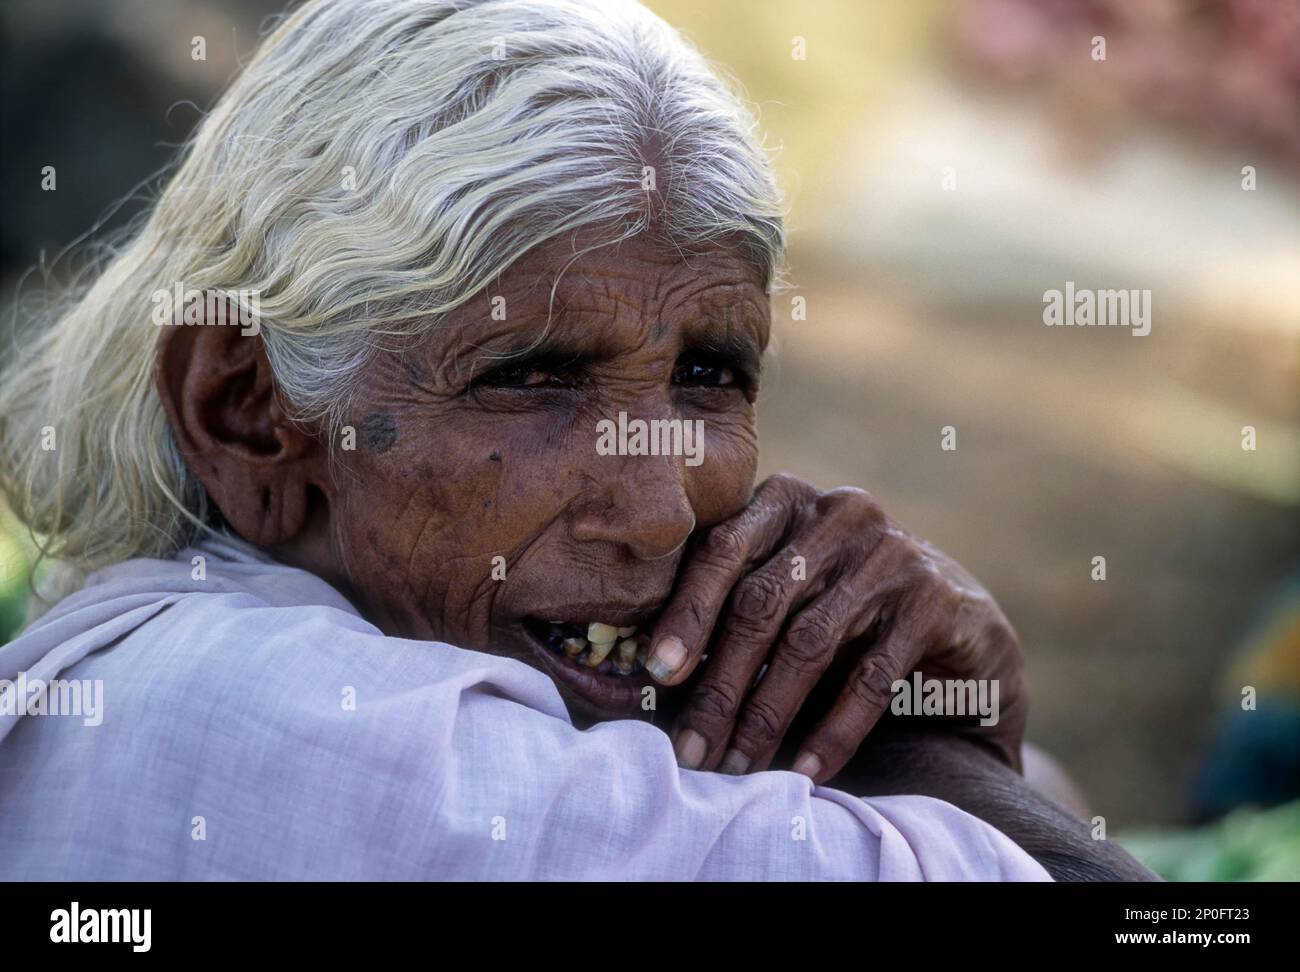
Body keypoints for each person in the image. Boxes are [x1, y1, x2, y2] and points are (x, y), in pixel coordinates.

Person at [0, 0, 1152, 881]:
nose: (660, 511)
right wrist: (922, 750)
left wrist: (912, 707)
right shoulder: (242, 721)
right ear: (245, 412)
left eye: (708, 374)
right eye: (532, 376)